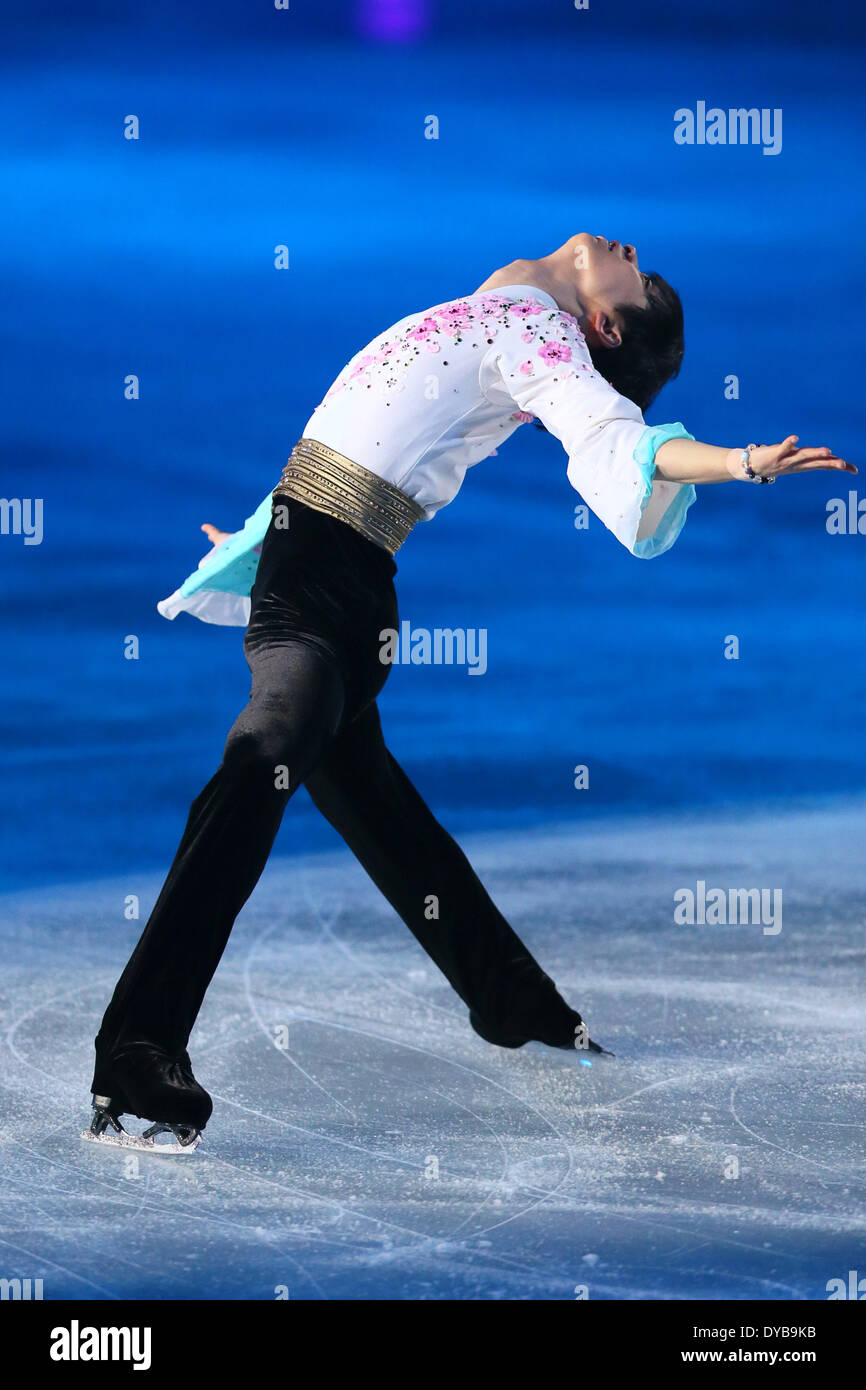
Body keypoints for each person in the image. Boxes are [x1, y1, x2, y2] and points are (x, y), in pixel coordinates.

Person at [84, 233, 853, 1152]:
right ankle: (517, 1005)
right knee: (382, 815)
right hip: (321, 571)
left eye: (635, 279)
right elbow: (366, 427)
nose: (629, 250)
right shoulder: (500, 307)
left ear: (602, 322)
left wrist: (741, 463)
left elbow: (614, 440)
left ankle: (139, 1048)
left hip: (330, 594)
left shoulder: (542, 337)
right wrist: (261, 533)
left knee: (260, 764)